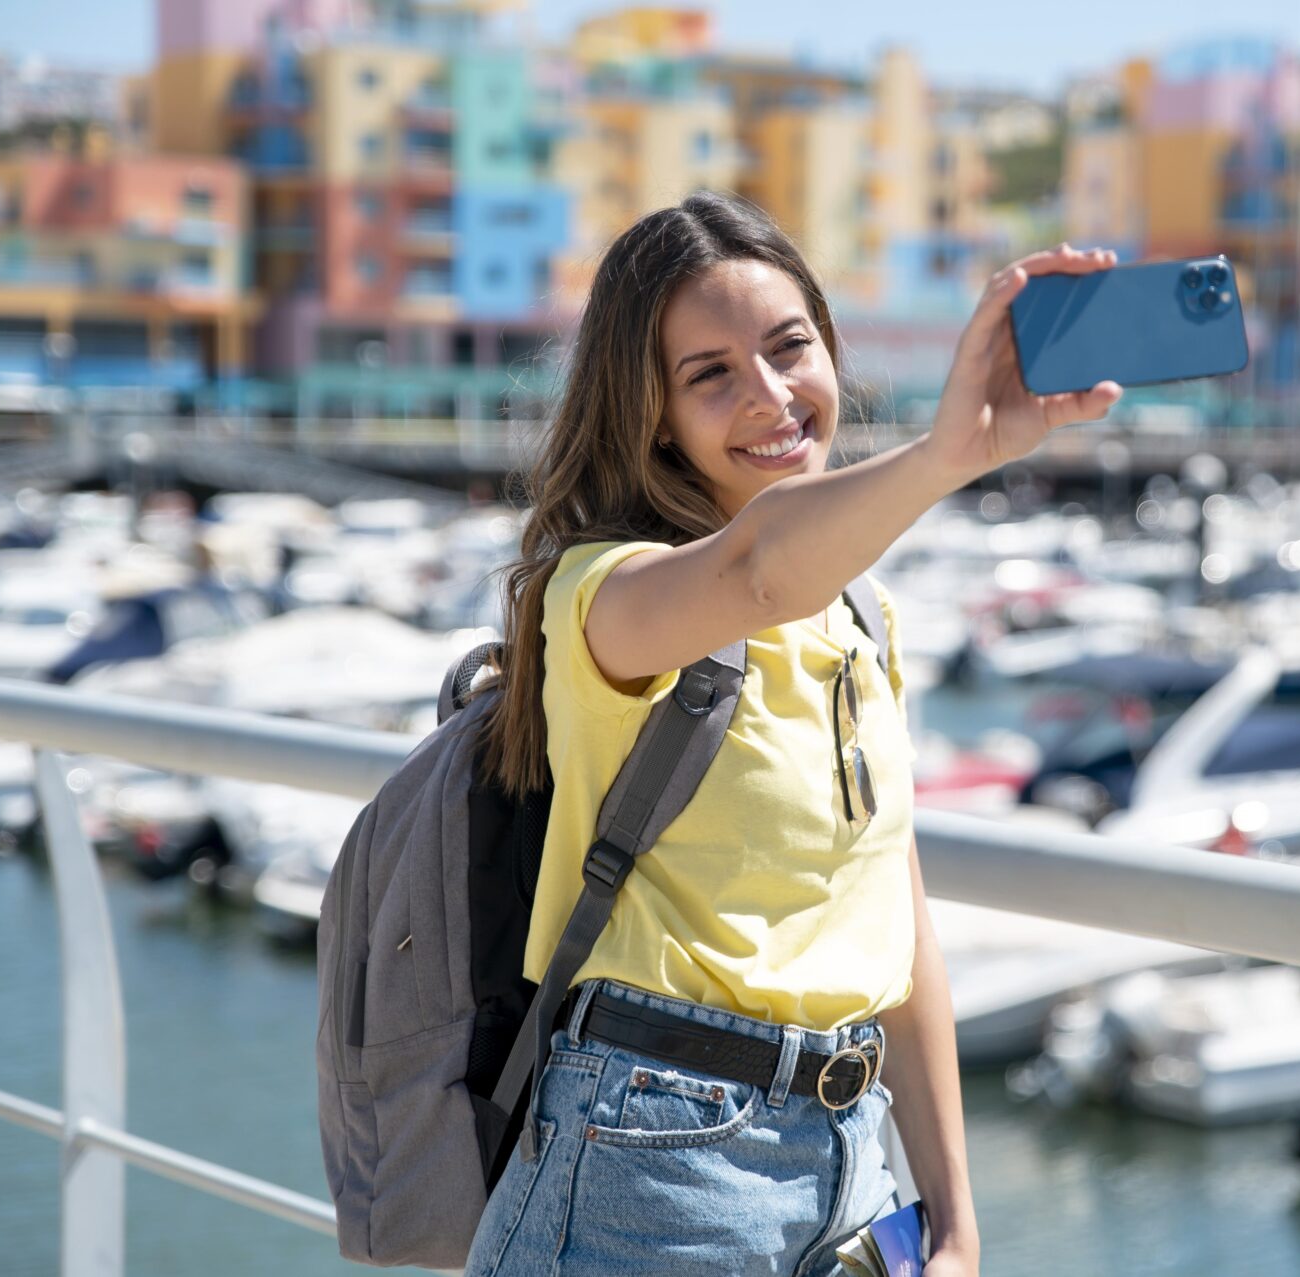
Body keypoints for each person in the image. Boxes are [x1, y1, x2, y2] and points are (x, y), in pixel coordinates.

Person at [466, 191, 1121, 1277]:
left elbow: (900, 935)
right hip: (649, 1159)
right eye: (709, 374)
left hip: (851, 1164)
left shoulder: (861, 615)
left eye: (789, 347)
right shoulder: (604, 594)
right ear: (651, 414)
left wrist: (956, 1225)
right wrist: (946, 455)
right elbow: (759, 567)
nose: (771, 396)